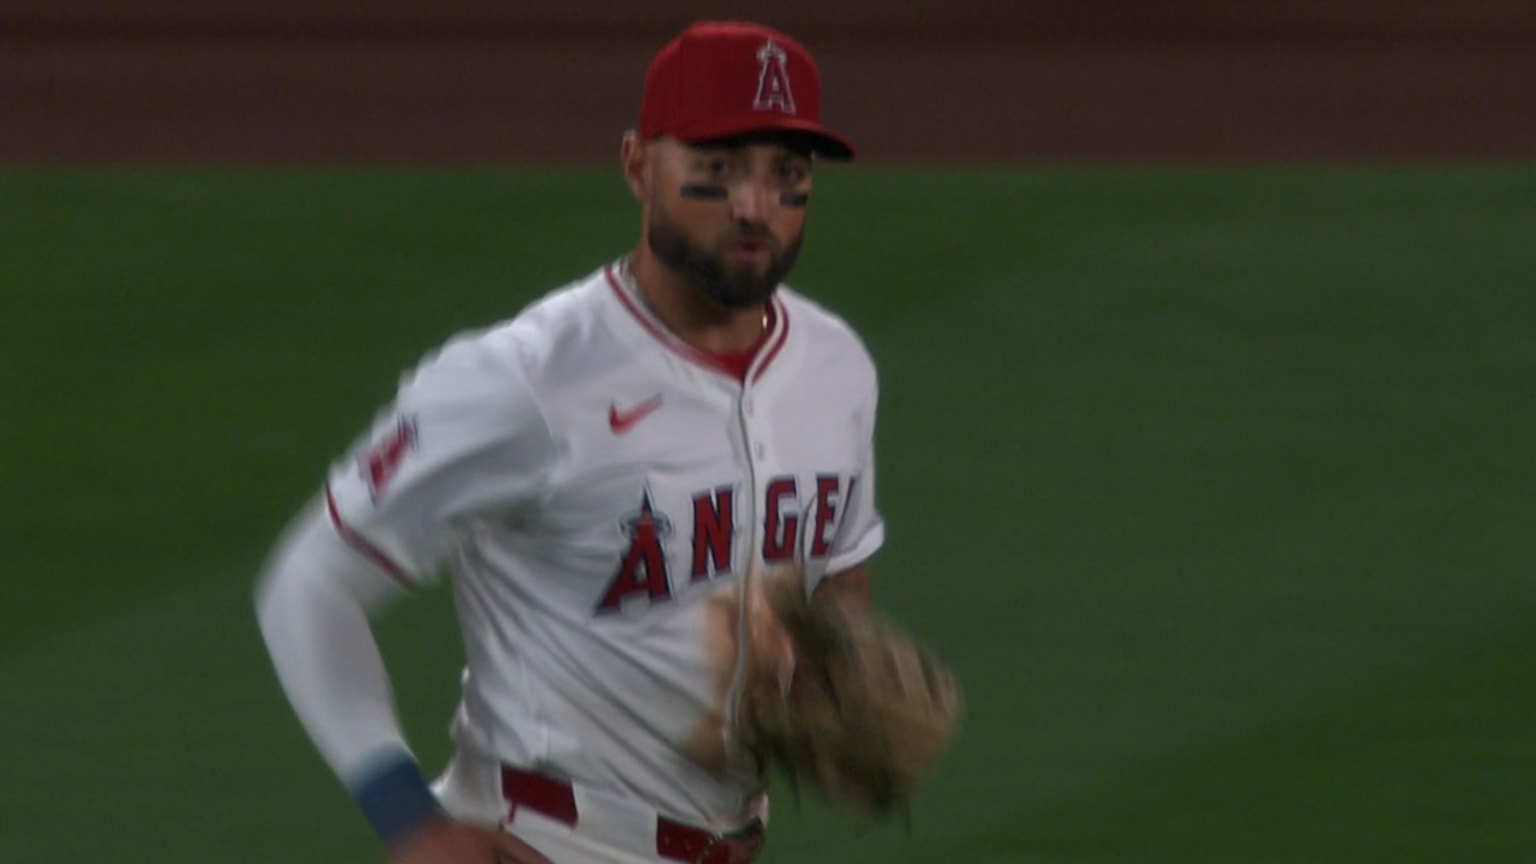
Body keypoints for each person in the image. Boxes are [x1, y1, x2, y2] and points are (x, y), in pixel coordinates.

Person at [255, 19, 882, 864]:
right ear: (637, 166)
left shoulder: (836, 367)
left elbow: (837, 571)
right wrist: (408, 817)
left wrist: (840, 679)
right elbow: (309, 584)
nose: (755, 206)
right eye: (718, 167)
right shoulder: (522, 380)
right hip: (543, 841)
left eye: (787, 174)